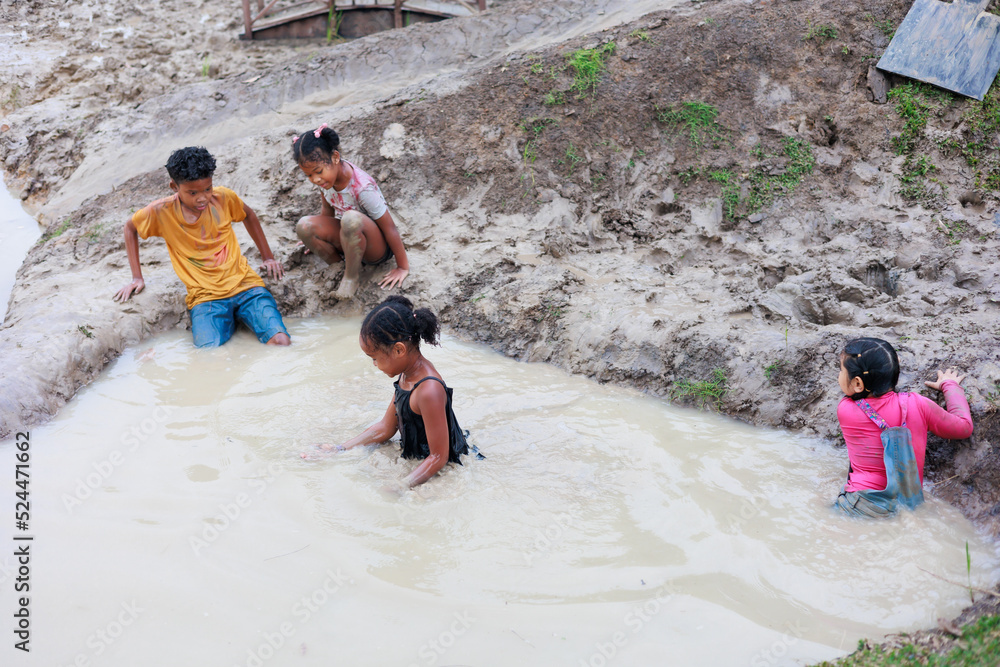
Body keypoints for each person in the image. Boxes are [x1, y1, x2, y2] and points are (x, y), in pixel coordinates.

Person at [113, 146, 291, 348]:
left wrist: (268, 257)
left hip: (246, 286)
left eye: (208, 189)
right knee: (209, 355)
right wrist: (137, 277)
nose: (202, 198)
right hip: (205, 298)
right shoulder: (161, 212)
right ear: (174, 186)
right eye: (192, 192)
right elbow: (130, 228)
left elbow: (248, 214)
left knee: (281, 342)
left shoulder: (224, 198)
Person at [306, 296, 471, 489]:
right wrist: (339, 449)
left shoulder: (429, 390)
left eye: (374, 358)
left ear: (399, 350)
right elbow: (386, 427)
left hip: (445, 468)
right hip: (419, 459)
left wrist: (401, 484)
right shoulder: (407, 376)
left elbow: (438, 457)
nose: (374, 365)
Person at [834, 337, 973, 517]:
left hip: (858, 504)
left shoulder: (845, 410)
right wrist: (949, 385)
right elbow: (964, 427)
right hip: (906, 506)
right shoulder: (918, 404)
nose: (839, 375)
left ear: (858, 384)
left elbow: (856, 397)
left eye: (841, 370)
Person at [292, 124, 409, 299]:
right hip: (349, 240)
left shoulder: (361, 188)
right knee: (304, 227)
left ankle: (351, 277)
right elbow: (327, 210)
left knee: (350, 218)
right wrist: (315, 238)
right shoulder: (326, 181)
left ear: (335, 157)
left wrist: (402, 267)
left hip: (375, 247)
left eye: (318, 172)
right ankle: (339, 266)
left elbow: (390, 228)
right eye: (309, 175)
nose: (315, 179)